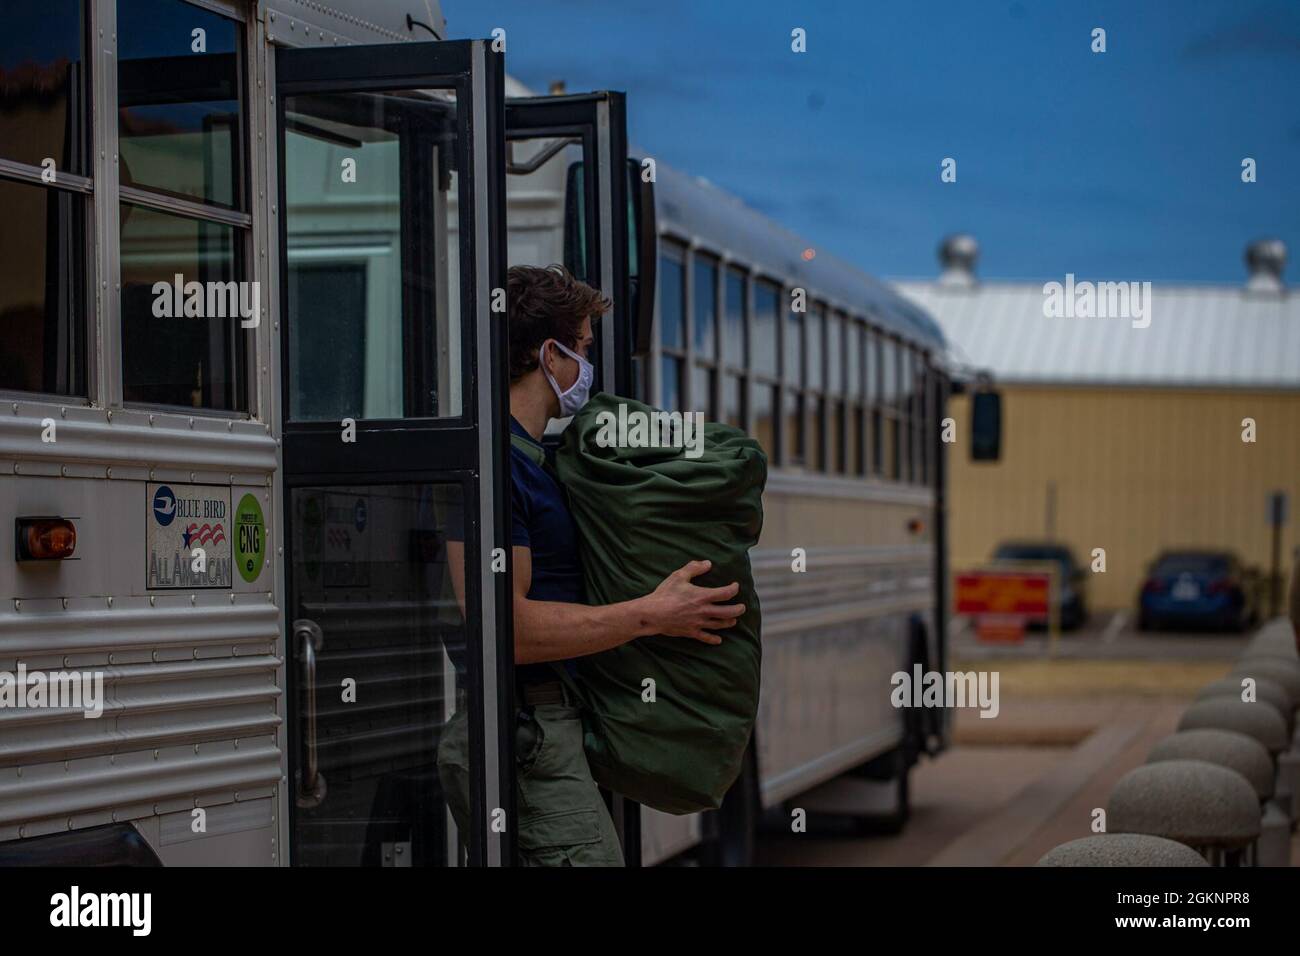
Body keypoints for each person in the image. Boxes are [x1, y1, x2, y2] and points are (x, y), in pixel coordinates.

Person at [439, 264, 745, 866]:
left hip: (547, 727)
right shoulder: (488, 466)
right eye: (580, 347)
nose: (587, 365)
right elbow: (507, 629)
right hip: (523, 735)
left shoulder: (532, 460)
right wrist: (652, 614)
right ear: (547, 355)